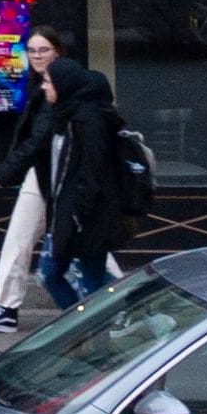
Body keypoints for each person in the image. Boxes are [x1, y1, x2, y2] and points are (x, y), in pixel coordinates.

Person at [0, 25, 65, 334]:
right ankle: (6, 308)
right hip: (42, 173)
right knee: (19, 239)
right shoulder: (37, 82)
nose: (37, 56)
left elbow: (41, 137)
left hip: (62, 173)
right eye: (32, 50)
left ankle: (124, 304)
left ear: (57, 52)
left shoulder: (57, 84)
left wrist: (8, 171)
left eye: (43, 49)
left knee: (81, 243)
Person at [40, 58, 136, 307]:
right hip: (69, 215)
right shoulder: (66, 117)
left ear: (63, 85)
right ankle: (82, 332)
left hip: (86, 219)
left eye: (48, 82)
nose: (44, 87)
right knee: (52, 274)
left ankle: (92, 334)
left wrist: (78, 217)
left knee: (90, 282)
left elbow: (93, 173)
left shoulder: (88, 121)